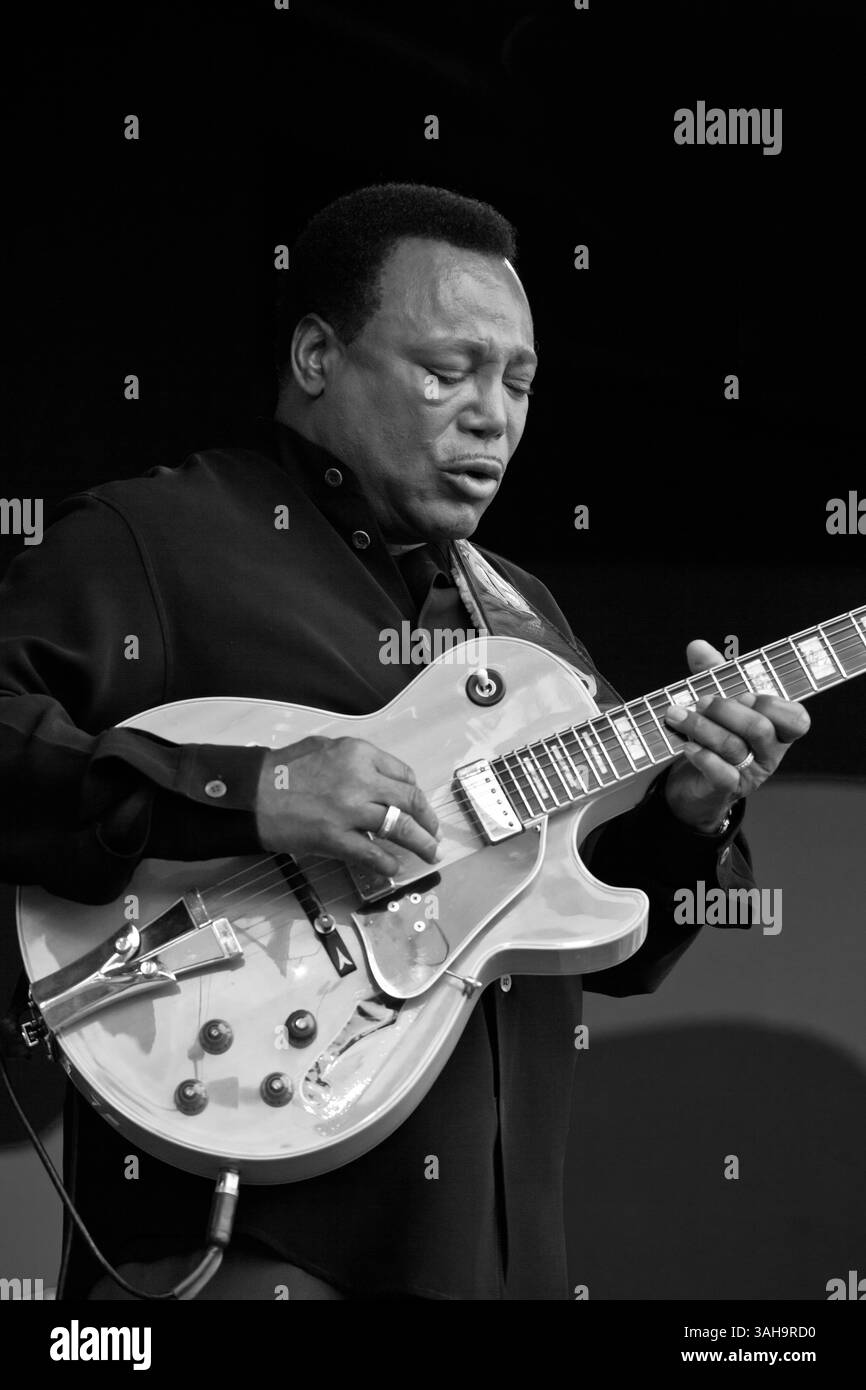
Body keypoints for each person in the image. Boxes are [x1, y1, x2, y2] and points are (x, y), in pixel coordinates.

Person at [0, 183, 809, 1300]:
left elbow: (621, 945)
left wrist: (690, 814)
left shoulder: (521, 621)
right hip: (234, 1253)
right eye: (448, 370)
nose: (492, 415)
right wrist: (249, 790)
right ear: (318, 356)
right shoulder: (153, 541)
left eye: (518, 381)